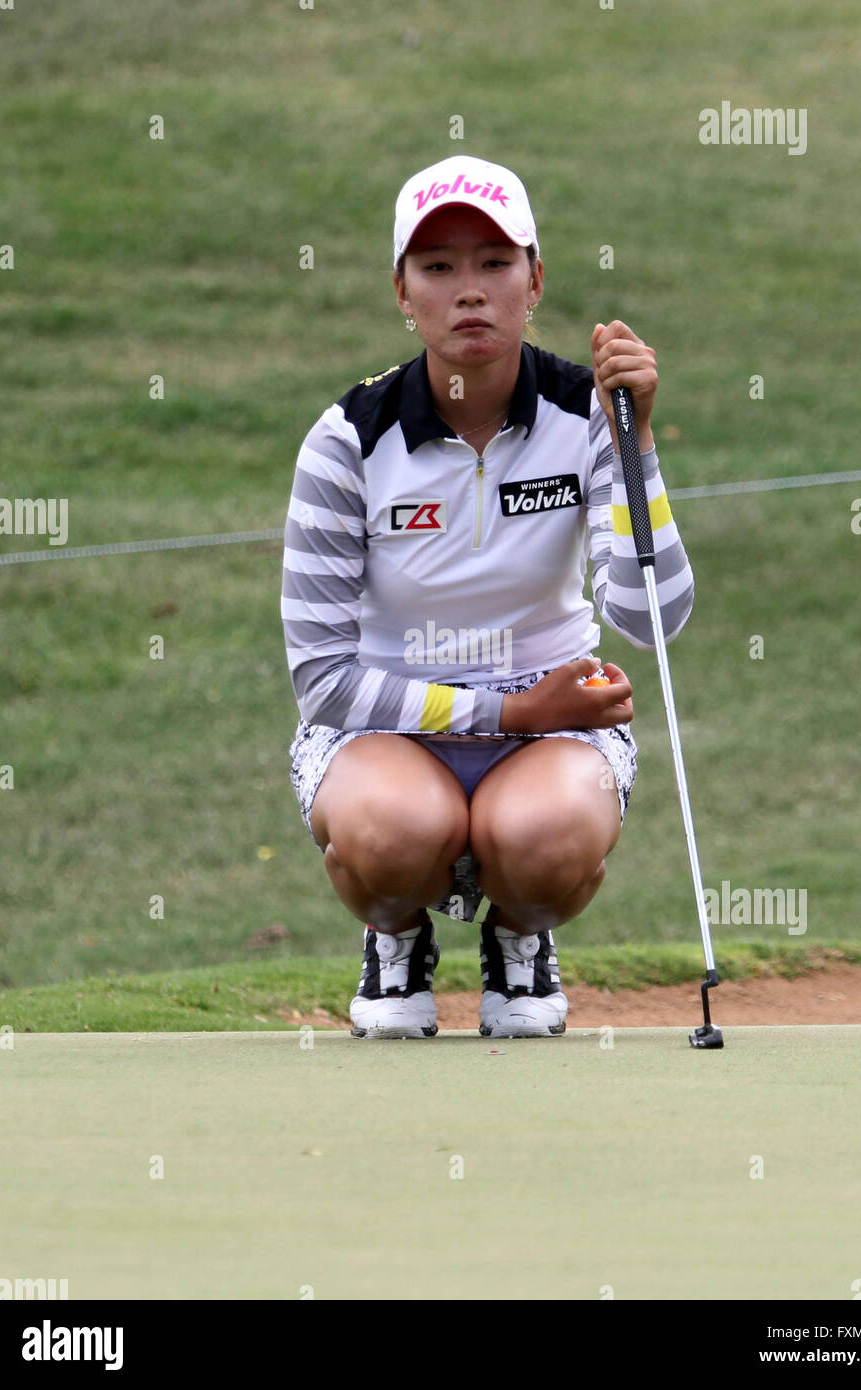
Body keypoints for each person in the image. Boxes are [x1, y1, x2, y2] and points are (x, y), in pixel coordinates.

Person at [282, 155, 694, 1039]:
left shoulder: (588, 409)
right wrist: (507, 710)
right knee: (391, 831)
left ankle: (520, 937)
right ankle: (393, 937)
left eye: (494, 263)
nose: (469, 290)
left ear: (535, 279)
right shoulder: (347, 440)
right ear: (402, 291)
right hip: (383, 727)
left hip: (555, 720)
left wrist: (638, 443)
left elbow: (650, 614)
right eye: (439, 269)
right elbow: (323, 680)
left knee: (544, 837)